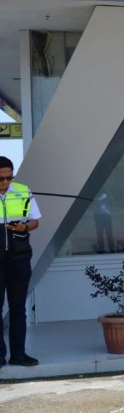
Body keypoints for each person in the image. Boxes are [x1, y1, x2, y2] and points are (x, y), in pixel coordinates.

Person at [0, 156, 41, 368]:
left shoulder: (23, 191)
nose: (6, 183)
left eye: (9, 177)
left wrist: (24, 227)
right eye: (1, 179)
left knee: (18, 308)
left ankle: (19, 354)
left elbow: (35, 220)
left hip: (19, 258)